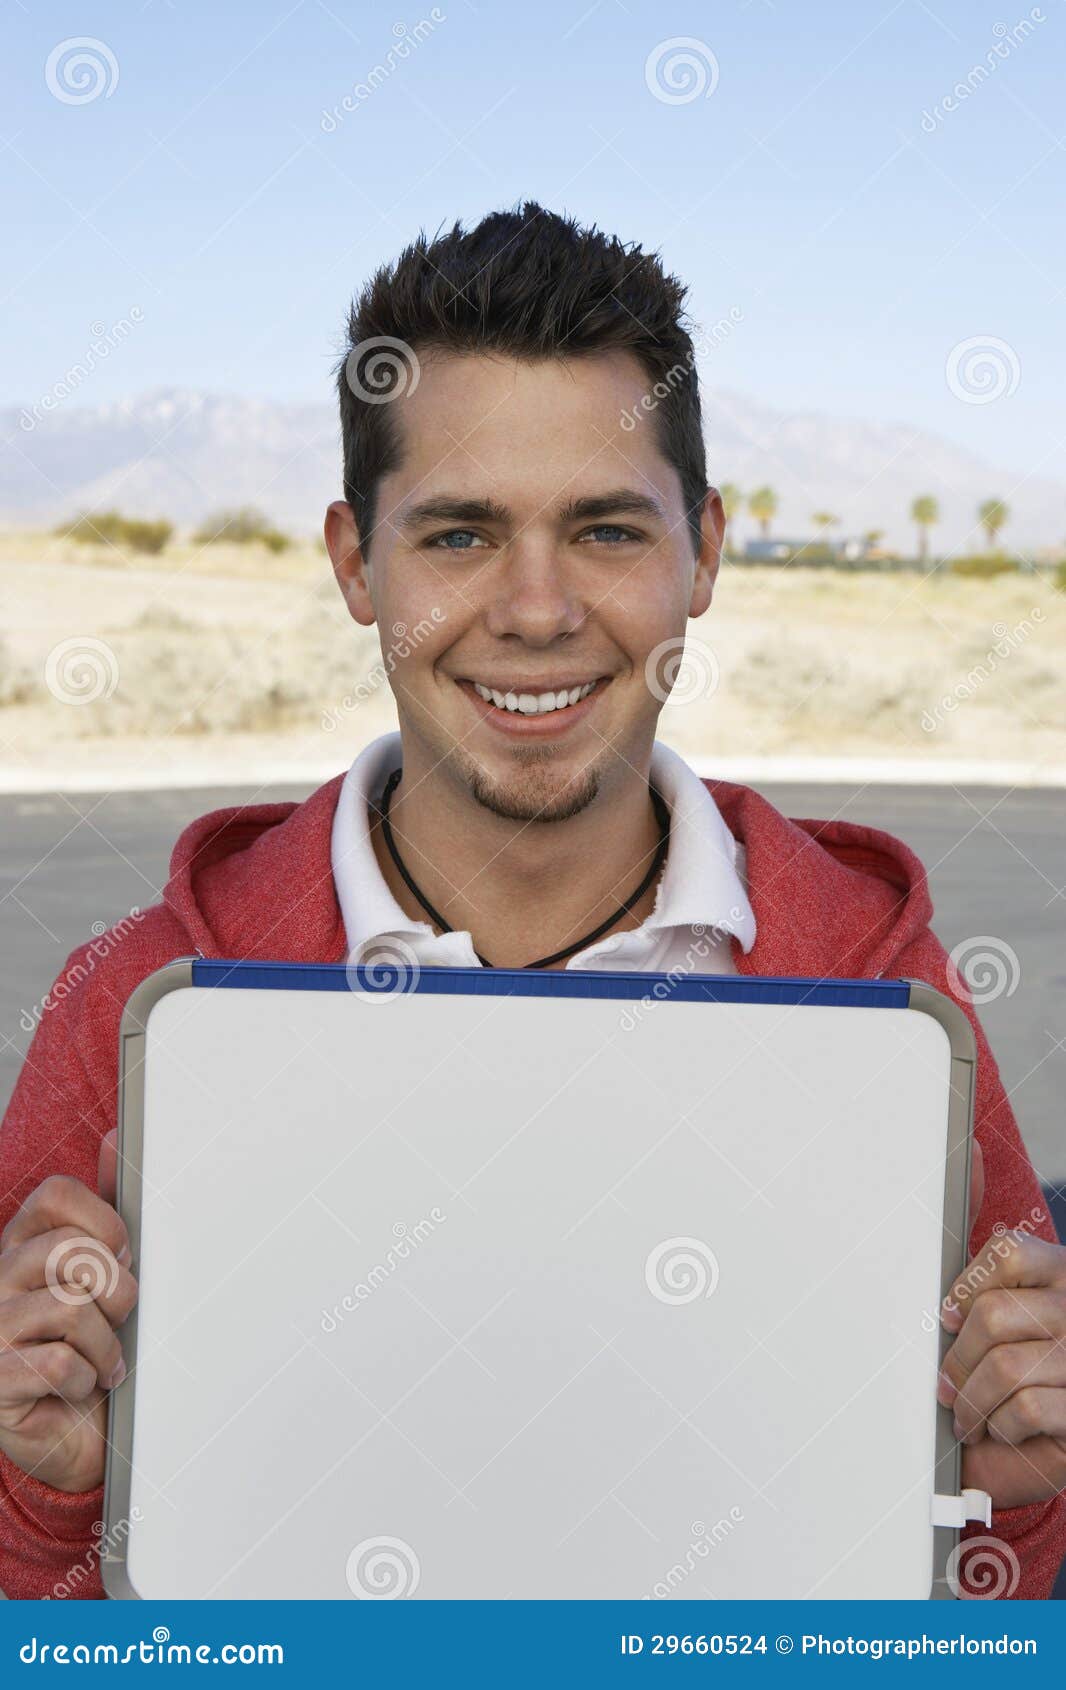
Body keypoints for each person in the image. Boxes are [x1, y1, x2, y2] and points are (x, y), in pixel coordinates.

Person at [1, 204, 1064, 1601]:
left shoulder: (883, 997)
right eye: (456, 534)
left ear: (704, 552)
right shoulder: (140, 1004)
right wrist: (39, 1490)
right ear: (351, 562)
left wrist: (1020, 1491)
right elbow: (60, 1611)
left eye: (606, 529)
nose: (539, 607)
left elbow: (971, 1592)